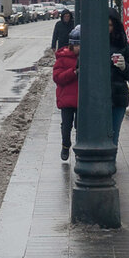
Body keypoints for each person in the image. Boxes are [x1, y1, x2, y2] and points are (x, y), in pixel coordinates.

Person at [107, 8, 129, 147]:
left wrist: (124, 67)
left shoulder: (122, 44)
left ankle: (111, 162)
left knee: (114, 134)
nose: (107, 29)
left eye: (110, 25)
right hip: (96, 98)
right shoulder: (92, 43)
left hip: (118, 95)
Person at [53, 25, 81, 161]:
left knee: (80, 125)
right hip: (67, 99)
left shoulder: (87, 57)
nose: (80, 49)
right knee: (66, 125)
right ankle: (65, 145)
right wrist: (74, 72)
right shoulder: (63, 57)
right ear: (72, 45)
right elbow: (57, 77)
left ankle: (79, 147)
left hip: (82, 100)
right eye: (78, 46)